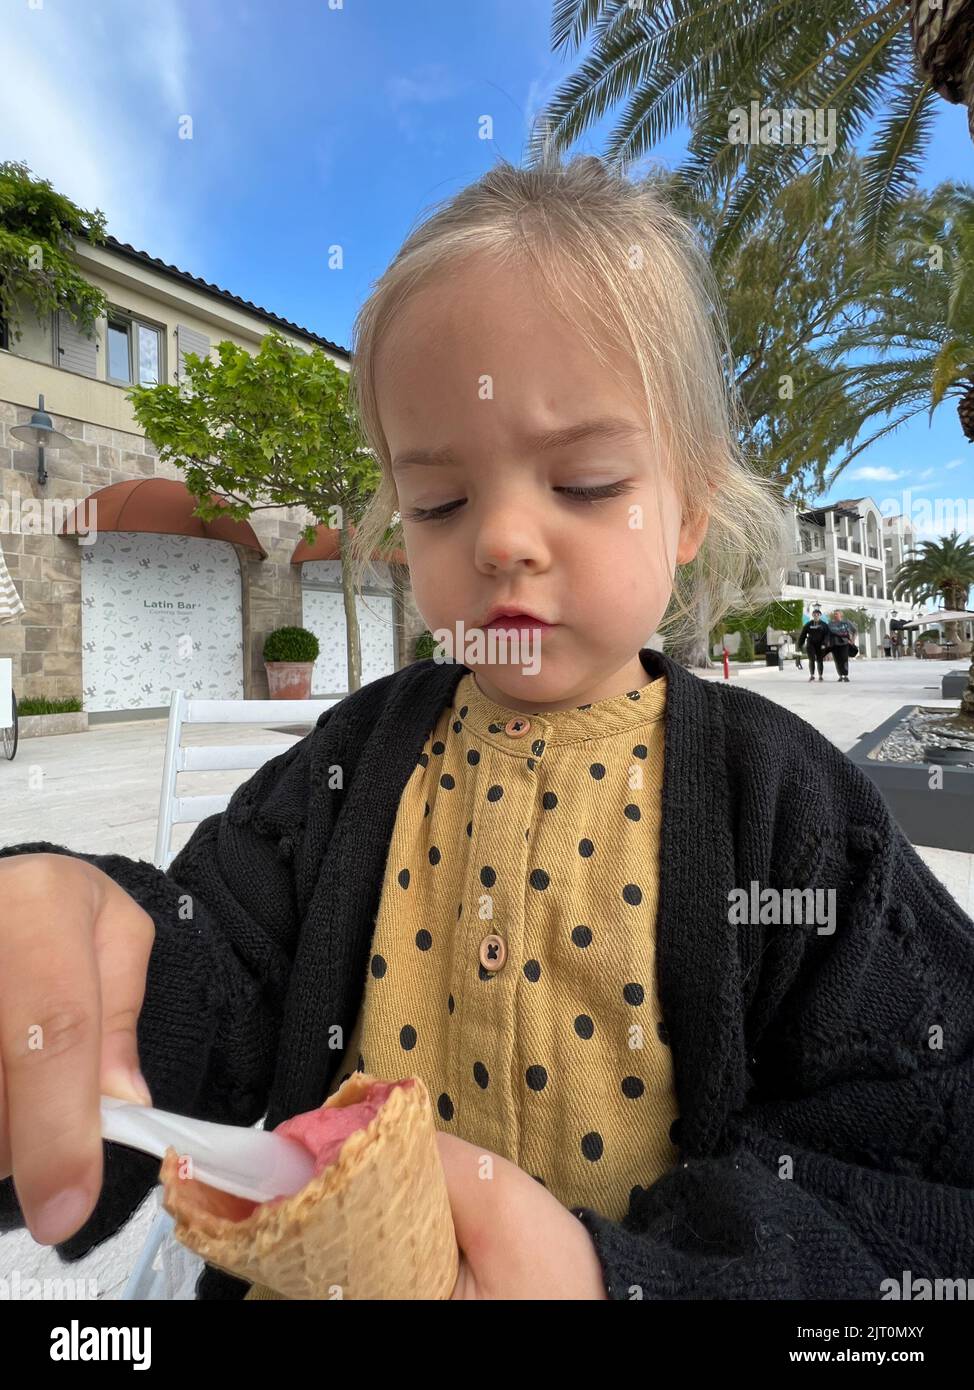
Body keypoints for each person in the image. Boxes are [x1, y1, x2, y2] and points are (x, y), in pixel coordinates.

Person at [2, 154, 973, 1303]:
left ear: (690, 507)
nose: (503, 537)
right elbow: (208, 970)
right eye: (441, 501)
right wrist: (93, 977)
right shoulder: (346, 772)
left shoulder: (785, 809)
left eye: (584, 480)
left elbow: (915, 1178)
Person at [797, 605, 830, 681]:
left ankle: (820, 675)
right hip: (811, 644)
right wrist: (800, 644)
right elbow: (803, 635)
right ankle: (812, 675)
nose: (816, 616)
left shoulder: (824, 625)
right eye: (814, 614)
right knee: (811, 659)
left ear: (820, 615)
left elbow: (827, 635)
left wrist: (824, 644)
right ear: (812, 615)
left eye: (818, 614)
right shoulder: (808, 624)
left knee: (819, 660)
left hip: (820, 645)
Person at [827, 609, 857, 682]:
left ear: (841, 615)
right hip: (834, 644)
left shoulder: (846, 622)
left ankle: (845, 675)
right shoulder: (830, 624)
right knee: (837, 661)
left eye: (837, 614)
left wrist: (852, 641)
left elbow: (855, 631)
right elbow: (827, 634)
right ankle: (840, 675)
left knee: (844, 659)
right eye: (834, 614)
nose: (835, 615)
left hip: (844, 643)